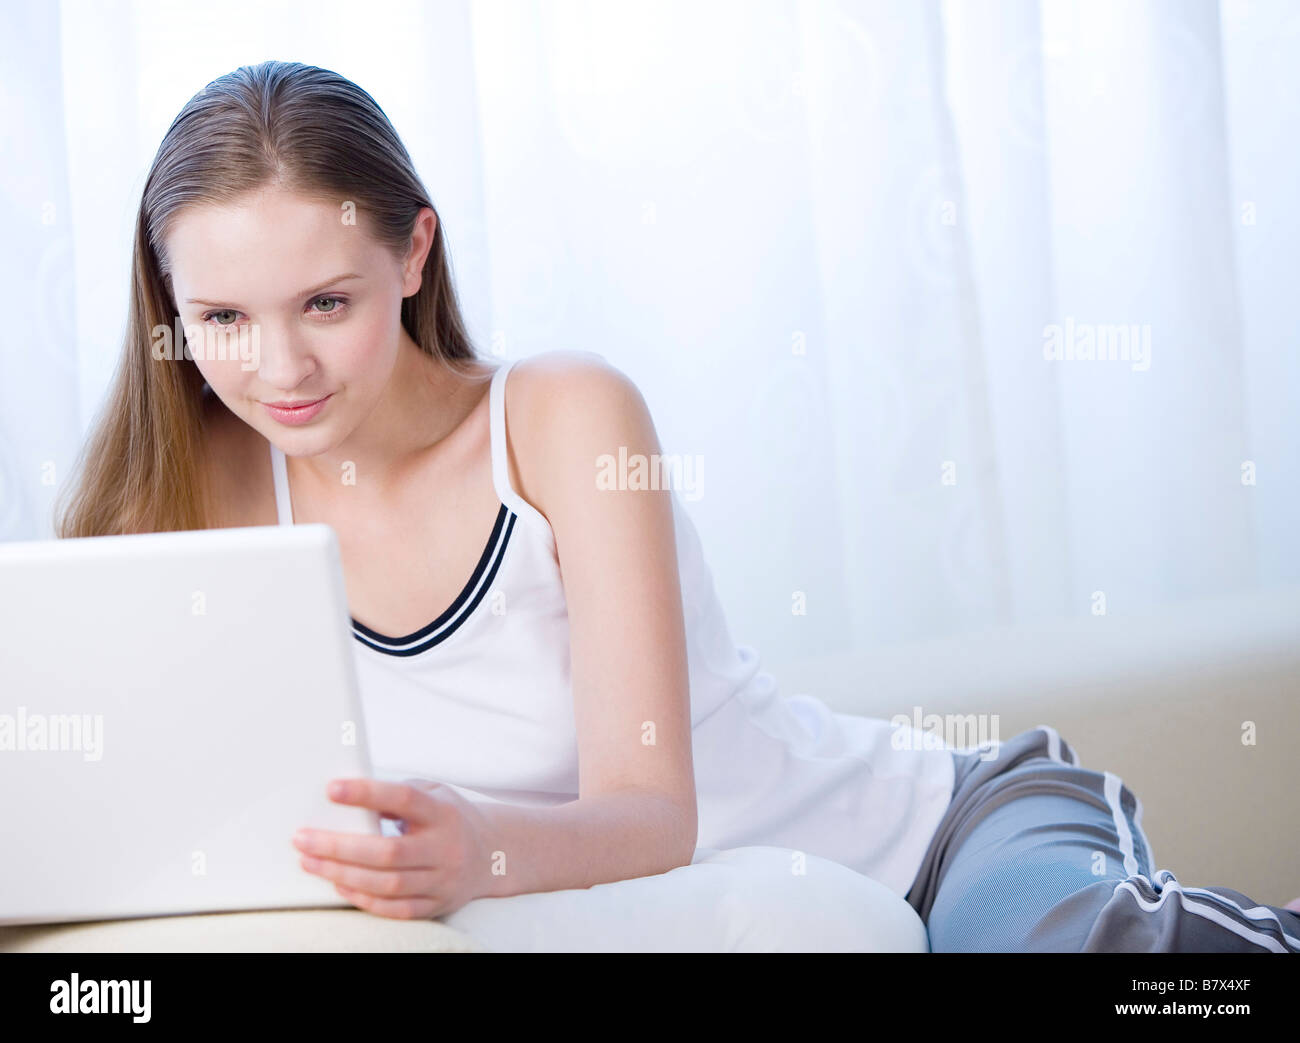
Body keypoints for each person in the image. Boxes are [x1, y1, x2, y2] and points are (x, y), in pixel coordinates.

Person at [55, 61, 1299, 952]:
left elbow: (652, 815)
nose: (279, 370)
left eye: (326, 302)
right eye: (221, 317)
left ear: (414, 253)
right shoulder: (181, 505)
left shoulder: (557, 419)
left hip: (942, 838)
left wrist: (468, 842)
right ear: (166, 294)